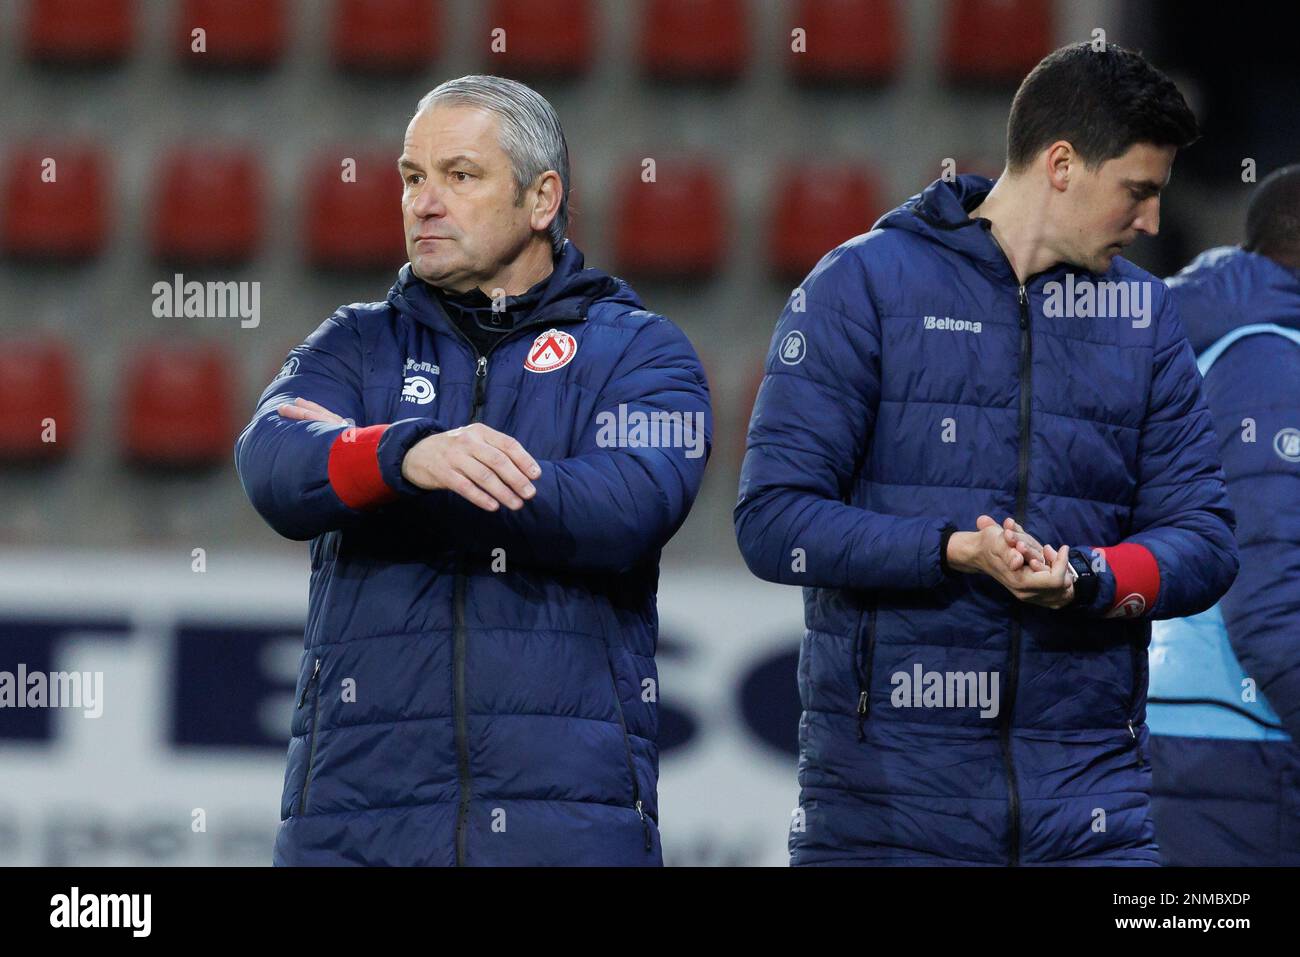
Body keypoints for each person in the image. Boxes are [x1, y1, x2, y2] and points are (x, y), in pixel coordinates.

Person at [734, 42, 1238, 865]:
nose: (1151, 222)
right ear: (1063, 163)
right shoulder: (862, 287)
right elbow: (771, 520)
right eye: (1138, 192)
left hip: (1092, 820)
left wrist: (1090, 577)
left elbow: (1207, 542)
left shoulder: (1147, 317)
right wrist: (950, 550)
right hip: (886, 819)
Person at [235, 75, 711, 866]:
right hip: (354, 826)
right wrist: (406, 453)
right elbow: (273, 463)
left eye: (460, 175)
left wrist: (410, 483)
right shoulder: (355, 343)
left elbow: (628, 505)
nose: (424, 202)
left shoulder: (638, 349)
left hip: (567, 828)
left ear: (541, 198)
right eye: (412, 178)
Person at [1147, 165, 1300, 866]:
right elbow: (1269, 608)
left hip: (1219, 747)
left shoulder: (1250, 346)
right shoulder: (1268, 361)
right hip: (1237, 750)